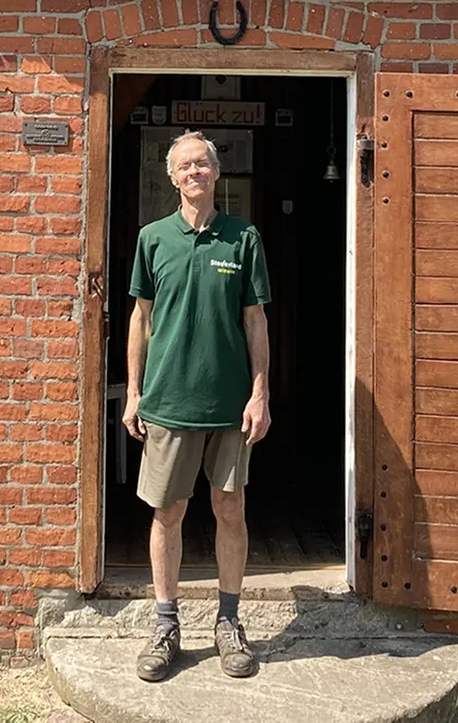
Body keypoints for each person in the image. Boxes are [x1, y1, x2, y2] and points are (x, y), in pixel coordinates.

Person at [124, 129, 272, 682]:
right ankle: (166, 625)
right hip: (168, 401)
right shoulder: (152, 239)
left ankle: (229, 623)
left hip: (231, 406)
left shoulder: (243, 238)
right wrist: (134, 391)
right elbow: (140, 319)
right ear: (172, 176)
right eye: (184, 166)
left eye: (202, 164)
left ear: (216, 173)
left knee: (230, 510)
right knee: (168, 513)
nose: (194, 173)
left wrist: (260, 393)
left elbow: (255, 320)